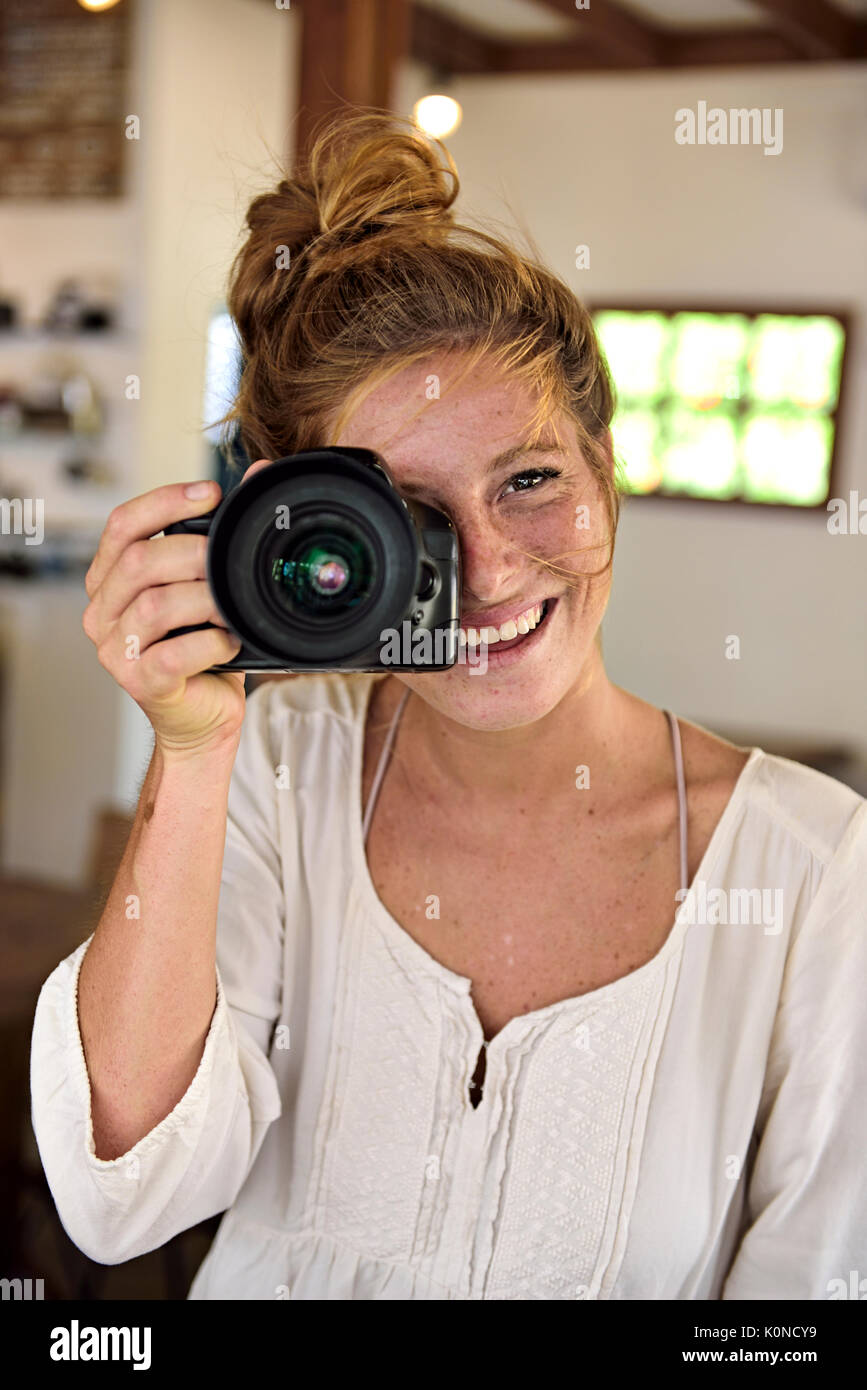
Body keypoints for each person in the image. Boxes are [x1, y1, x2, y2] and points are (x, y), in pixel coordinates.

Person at [30, 113, 867, 1300]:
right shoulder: (271, 776)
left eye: (530, 480)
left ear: (605, 480)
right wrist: (196, 742)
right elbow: (123, 1198)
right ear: (302, 538)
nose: (483, 569)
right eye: (413, 516)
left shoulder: (818, 868)